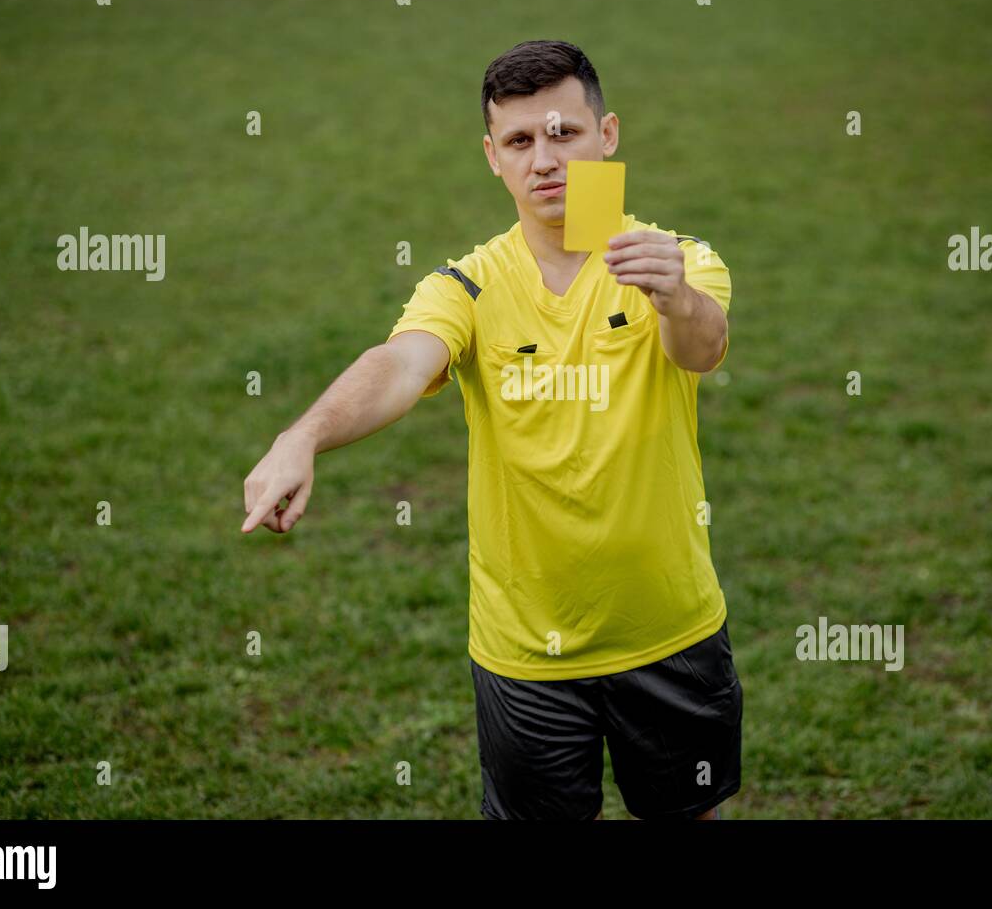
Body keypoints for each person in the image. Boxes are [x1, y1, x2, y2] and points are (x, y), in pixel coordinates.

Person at [242, 40, 741, 820]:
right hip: (526, 653)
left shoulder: (673, 261)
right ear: (493, 158)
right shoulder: (468, 285)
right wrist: (301, 436)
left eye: (563, 133)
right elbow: (400, 364)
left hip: (671, 632)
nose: (544, 159)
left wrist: (675, 295)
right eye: (519, 141)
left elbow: (701, 349)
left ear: (606, 136)